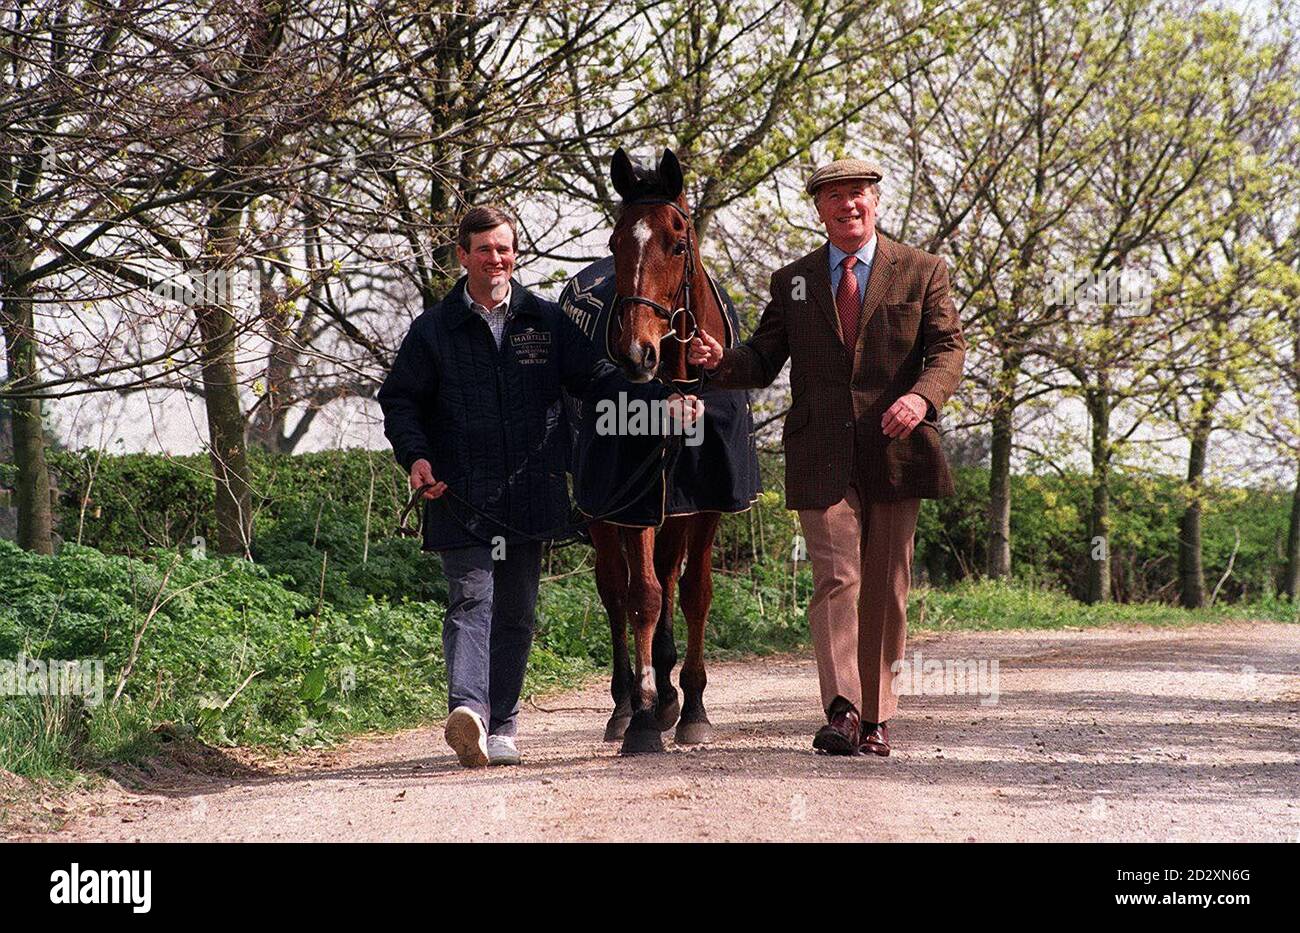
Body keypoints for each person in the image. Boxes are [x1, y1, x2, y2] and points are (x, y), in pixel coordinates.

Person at [379, 205, 698, 768]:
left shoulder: (547, 322)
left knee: (518, 612)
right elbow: (401, 399)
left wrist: (661, 400)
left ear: (514, 254)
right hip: (458, 490)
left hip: (529, 490)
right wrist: (416, 455)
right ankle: (470, 710)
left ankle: (501, 725)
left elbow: (598, 380)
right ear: (463, 256)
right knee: (471, 599)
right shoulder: (433, 329)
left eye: (503, 248)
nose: (495, 258)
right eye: (483, 249)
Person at [688, 159, 965, 756]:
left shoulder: (922, 271)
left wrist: (921, 398)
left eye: (857, 195)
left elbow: (948, 350)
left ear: (876, 201)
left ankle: (877, 714)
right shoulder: (793, 279)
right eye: (834, 198)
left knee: (887, 586)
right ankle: (842, 710)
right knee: (838, 577)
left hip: (896, 451)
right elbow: (763, 359)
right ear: (819, 210)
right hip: (820, 454)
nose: (847, 206)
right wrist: (722, 361)